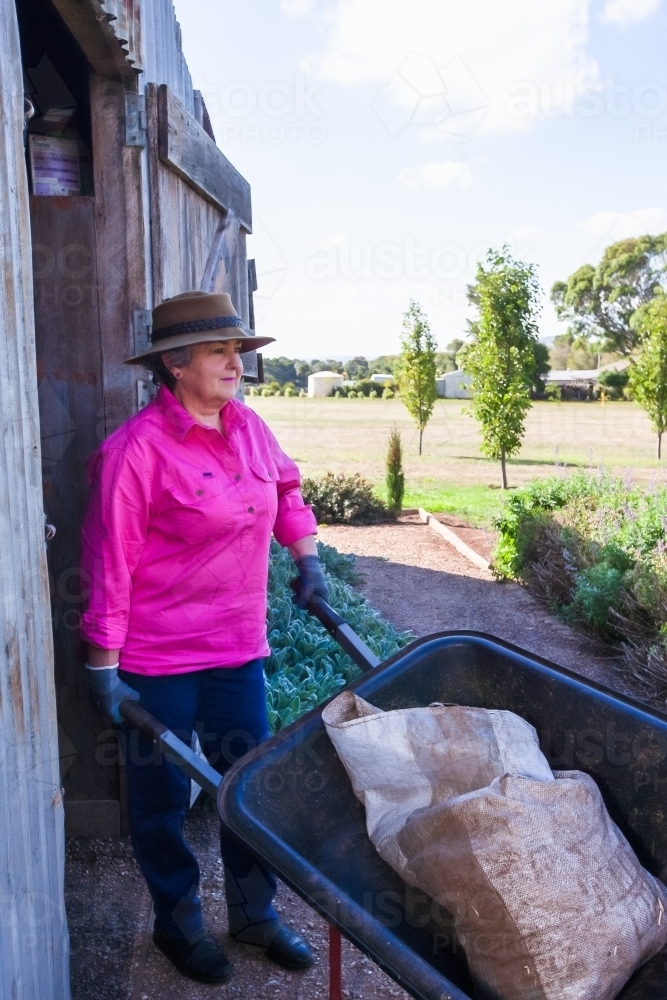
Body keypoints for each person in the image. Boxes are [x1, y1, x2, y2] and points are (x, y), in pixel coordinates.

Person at [80, 290, 329, 985]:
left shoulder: (248, 428)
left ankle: (253, 915)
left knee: (245, 788)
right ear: (174, 361)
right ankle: (177, 921)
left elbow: (285, 493)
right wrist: (103, 668)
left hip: (237, 652)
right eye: (220, 350)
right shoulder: (133, 454)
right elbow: (110, 564)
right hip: (157, 661)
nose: (236, 363)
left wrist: (308, 561)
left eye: (238, 351)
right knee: (160, 801)